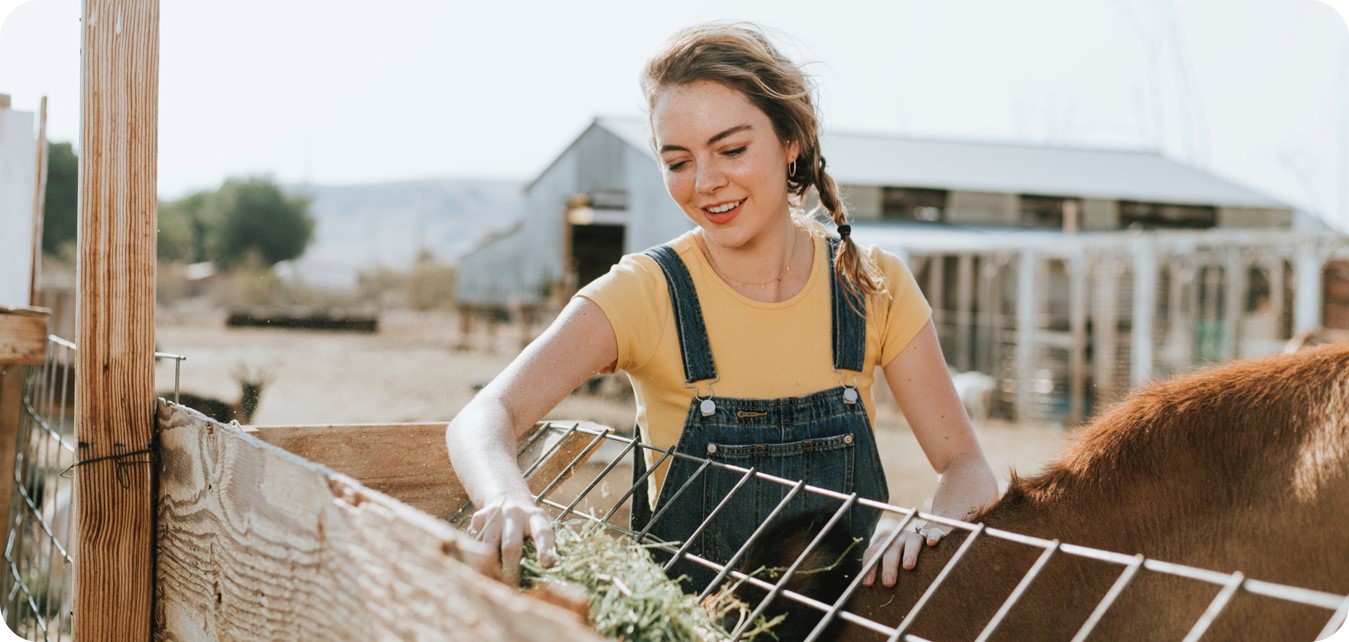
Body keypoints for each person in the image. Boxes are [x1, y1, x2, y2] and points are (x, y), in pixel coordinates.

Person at [445, 21, 998, 594]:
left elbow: (967, 468)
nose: (706, 182)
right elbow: (485, 417)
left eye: (731, 149)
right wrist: (507, 497)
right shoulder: (646, 291)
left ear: (791, 141)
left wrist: (933, 526)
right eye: (678, 161)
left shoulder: (870, 284)